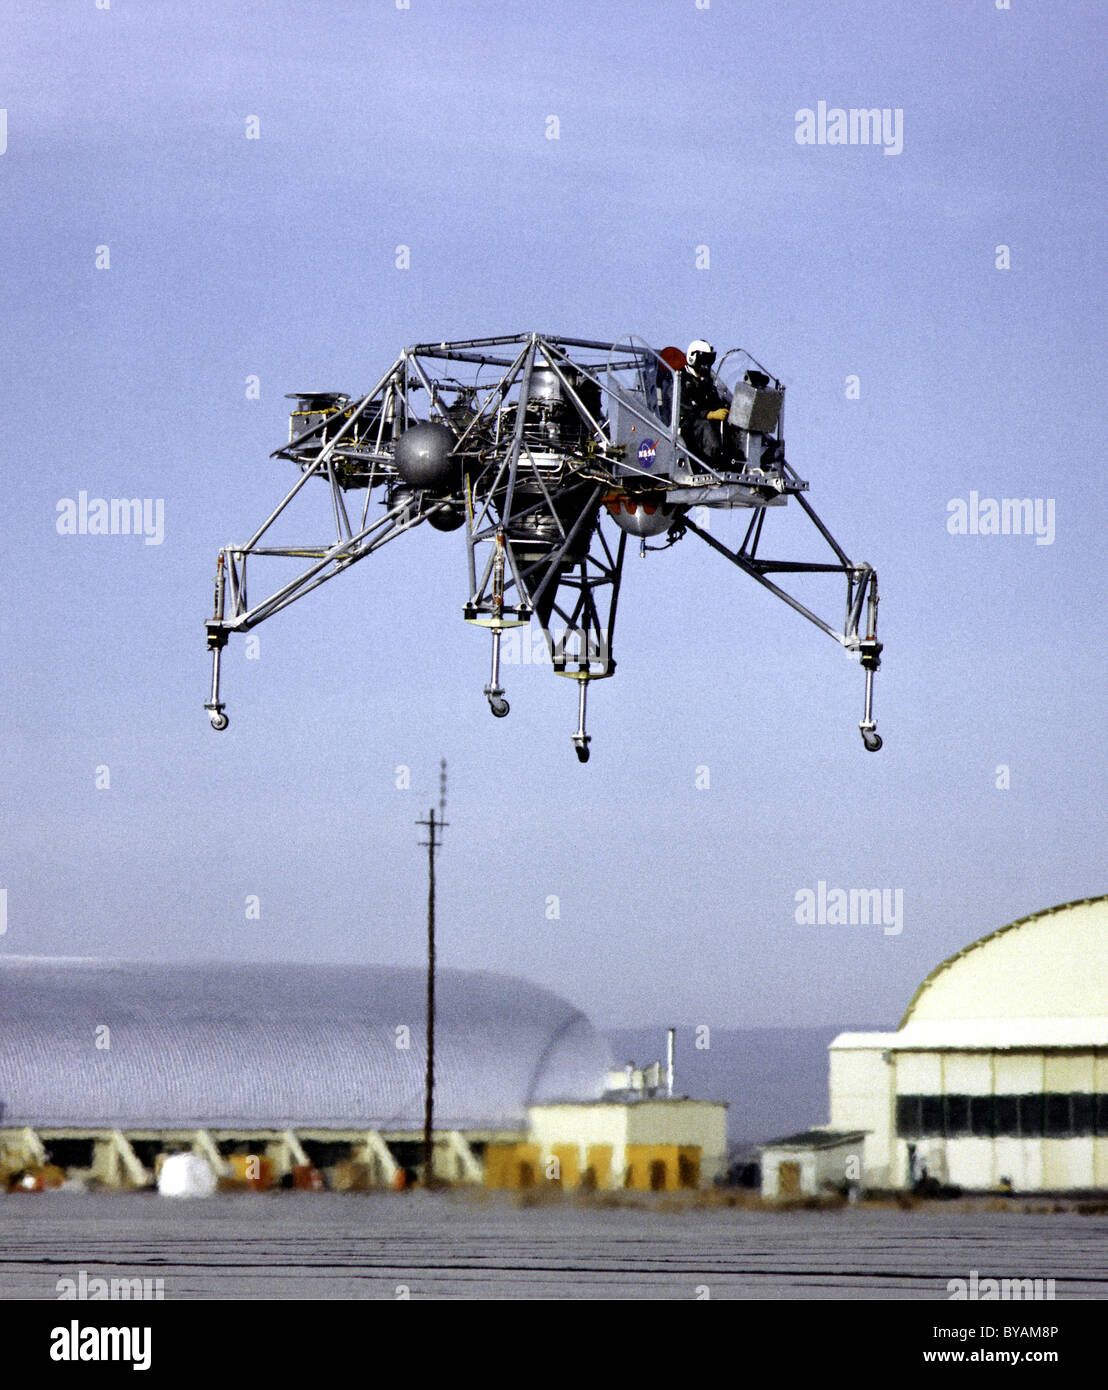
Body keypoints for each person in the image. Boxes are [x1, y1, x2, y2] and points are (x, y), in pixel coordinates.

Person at [678, 339, 743, 468]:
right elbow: (683, 409)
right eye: (704, 360)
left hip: (703, 421)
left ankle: (739, 460)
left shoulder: (707, 383)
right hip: (686, 424)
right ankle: (713, 462)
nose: (706, 365)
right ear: (693, 358)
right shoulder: (680, 379)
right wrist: (709, 414)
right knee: (704, 425)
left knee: (733, 426)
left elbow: (715, 402)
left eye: (709, 361)